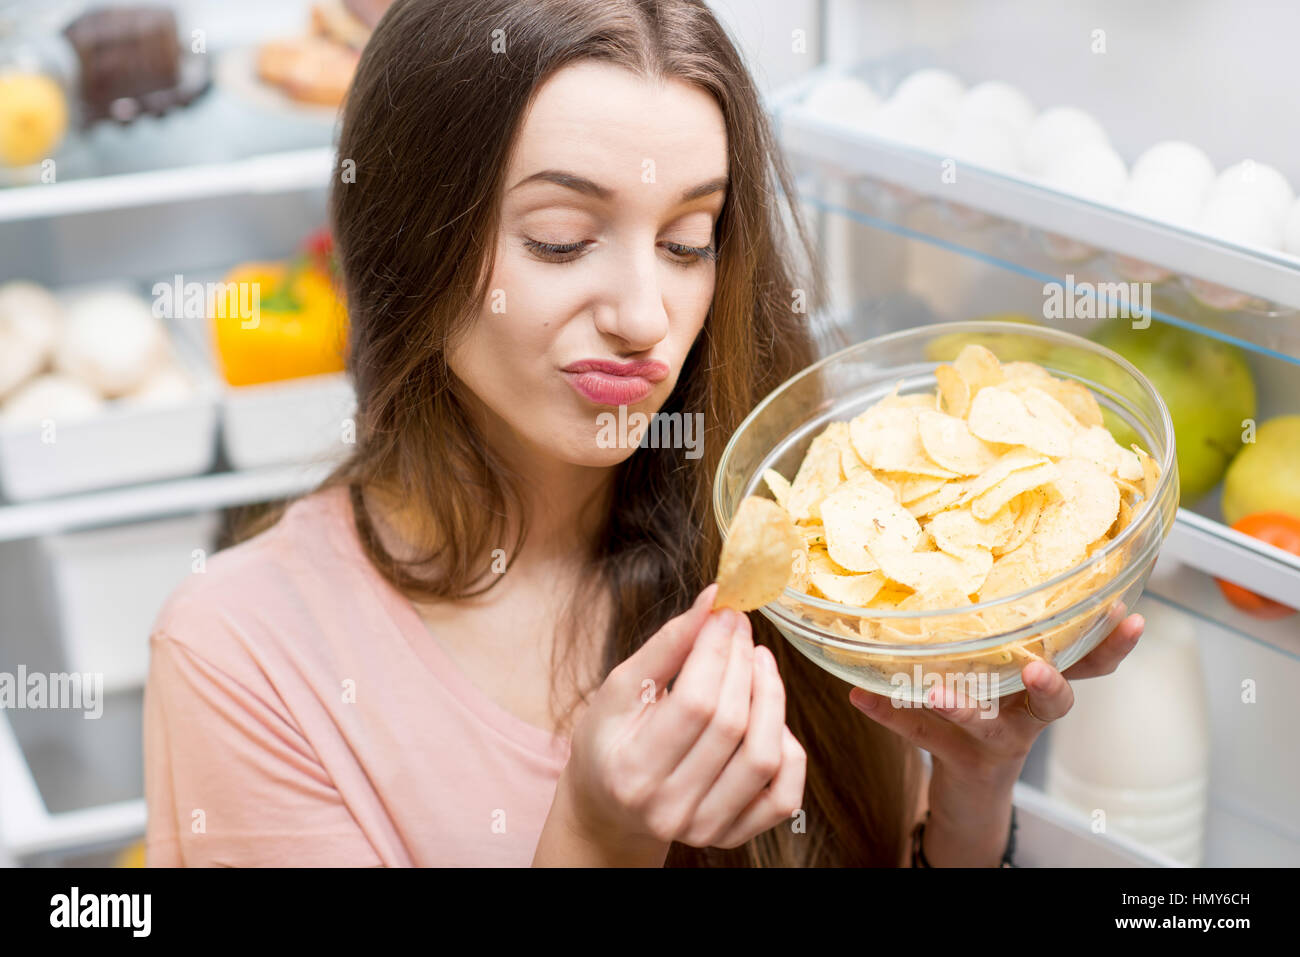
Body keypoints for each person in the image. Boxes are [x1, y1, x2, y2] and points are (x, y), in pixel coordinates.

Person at [143, 0, 1144, 867]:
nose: (643, 313)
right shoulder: (243, 655)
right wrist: (596, 838)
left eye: (686, 242)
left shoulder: (820, 556)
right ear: (411, 235)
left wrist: (970, 803)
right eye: (562, 240)